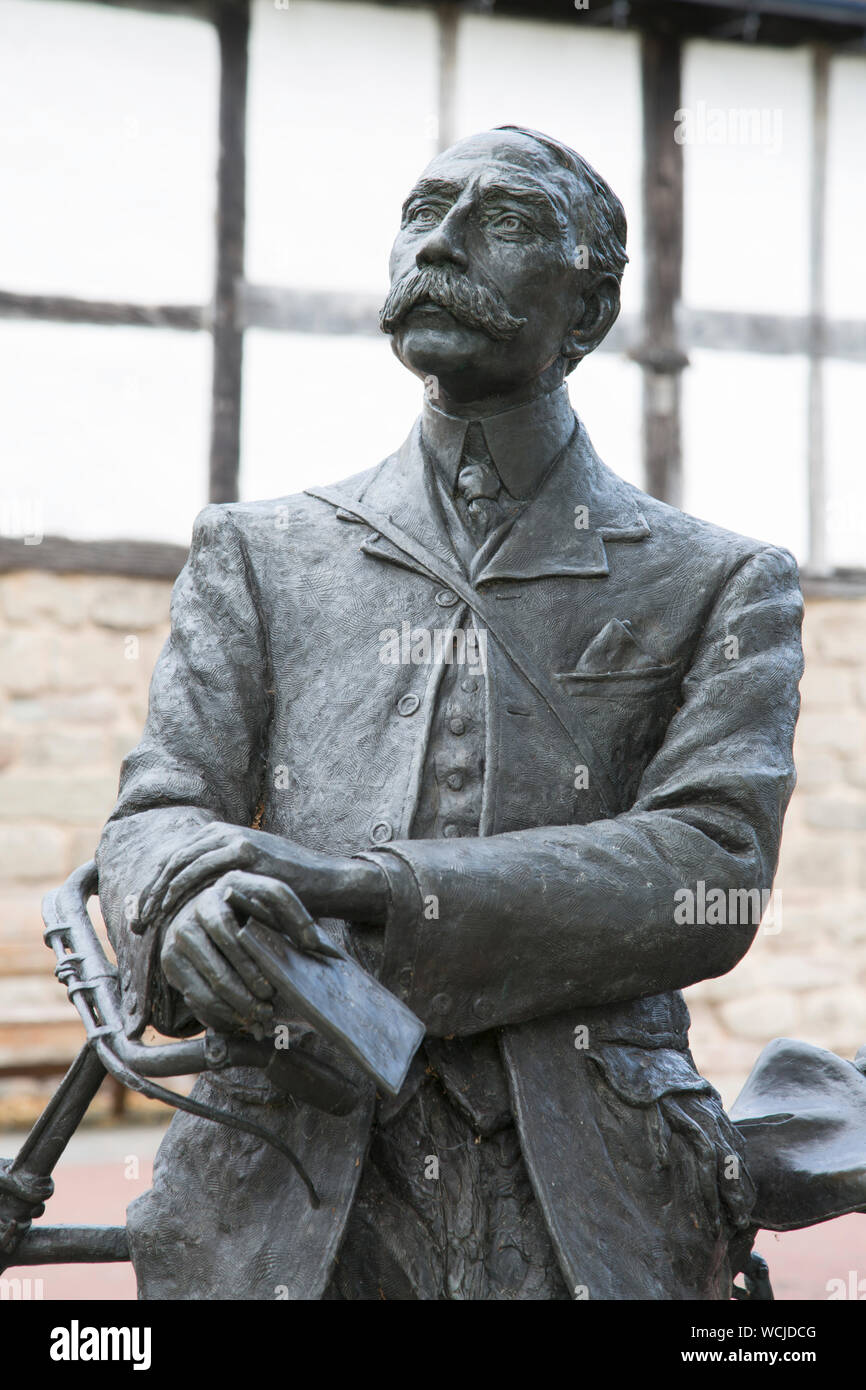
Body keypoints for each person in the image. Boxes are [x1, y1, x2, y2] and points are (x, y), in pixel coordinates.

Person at [96, 126, 803, 1299]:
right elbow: (160, 810)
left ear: (587, 313)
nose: (438, 242)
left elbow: (706, 865)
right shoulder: (261, 553)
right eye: (424, 208)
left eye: (505, 221)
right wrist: (186, 903)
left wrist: (372, 885)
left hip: (589, 1181)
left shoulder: (716, 579)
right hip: (283, 1164)